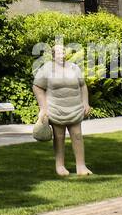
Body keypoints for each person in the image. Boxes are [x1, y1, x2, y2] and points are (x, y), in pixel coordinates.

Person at [32, 41, 93, 176]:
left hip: (75, 108)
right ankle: (60, 166)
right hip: (56, 108)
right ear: (53, 55)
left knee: (77, 136)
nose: (61, 54)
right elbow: (37, 87)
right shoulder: (47, 68)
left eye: (63, 52)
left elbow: (83, 85)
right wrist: (43, 107)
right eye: (58, 52)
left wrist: (85, 103)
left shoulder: (74, 68)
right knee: (59, 137)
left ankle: (81, 166)